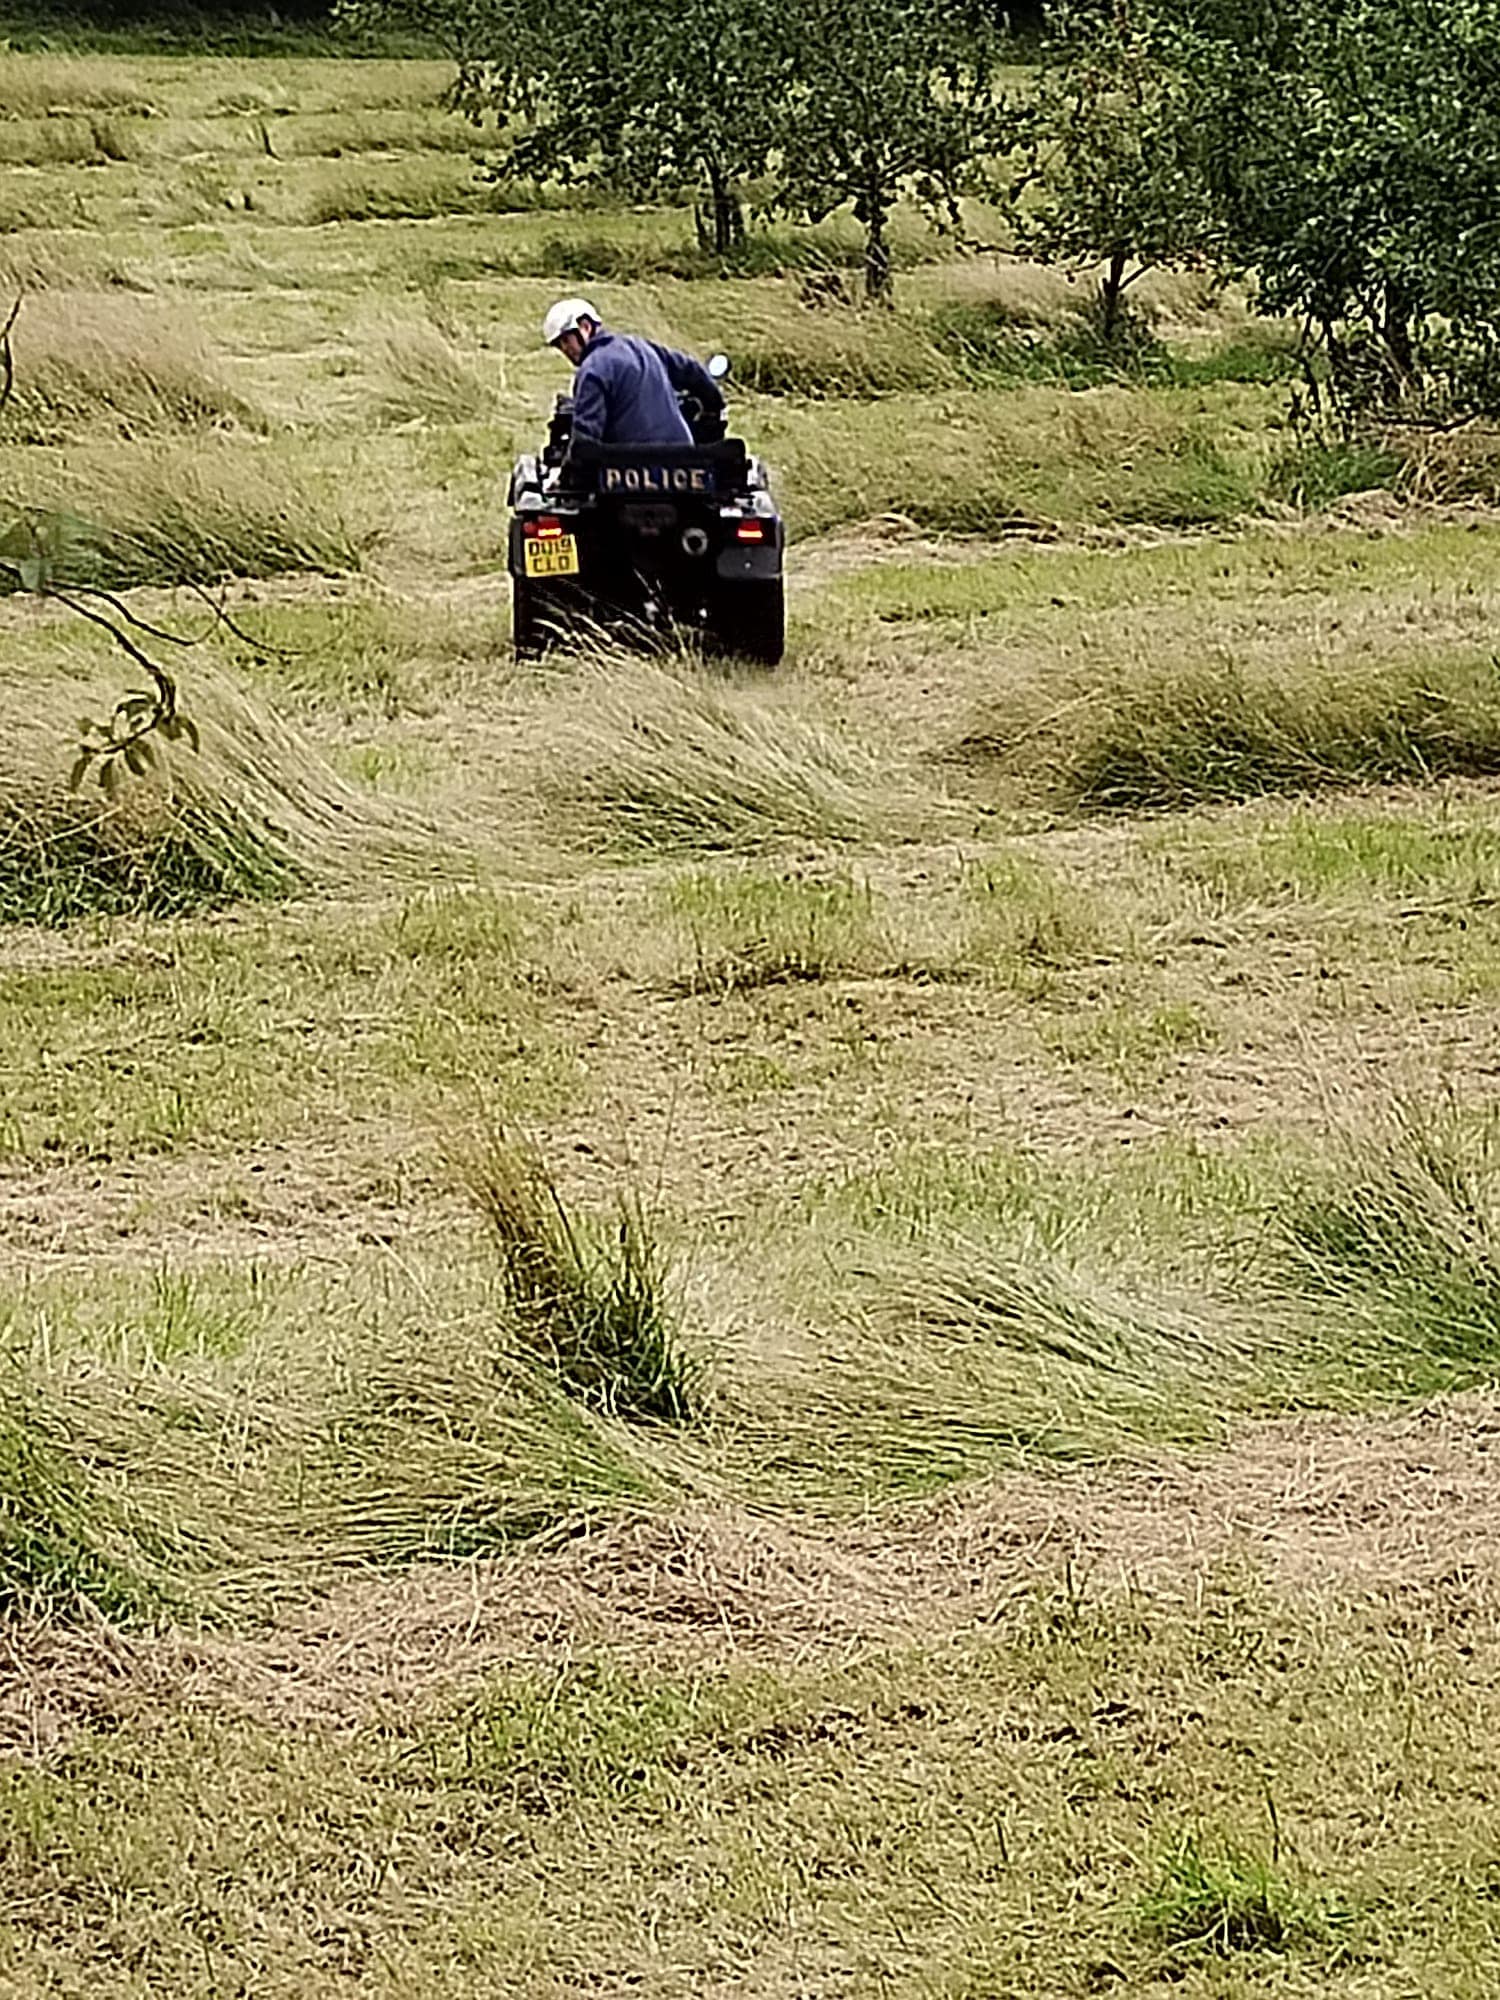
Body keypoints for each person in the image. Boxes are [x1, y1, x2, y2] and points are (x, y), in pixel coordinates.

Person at [541, 297, 724, 448]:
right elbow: (692, 371)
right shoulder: (643, 347)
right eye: (559, 345)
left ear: (585, 327)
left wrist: (567, 477)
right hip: (684, 462)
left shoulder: (591, 372)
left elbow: (585, 440)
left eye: (566, 340)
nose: (565, 349)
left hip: (626, 473)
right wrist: (712, 408)